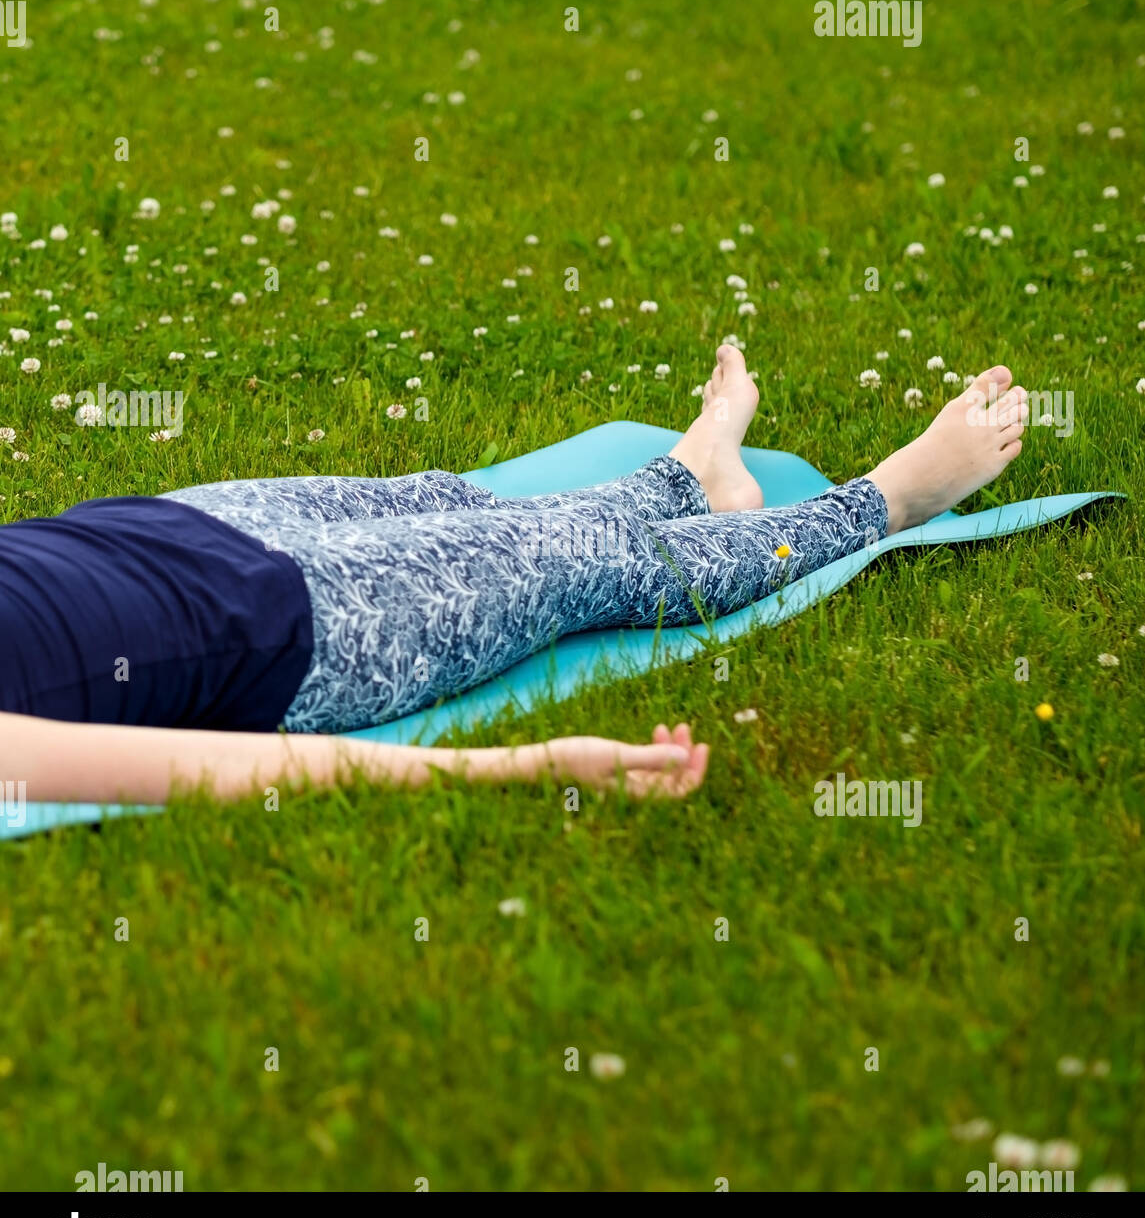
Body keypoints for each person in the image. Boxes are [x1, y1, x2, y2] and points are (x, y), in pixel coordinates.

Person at [0, 347, 1028, 807]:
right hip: (291, 626)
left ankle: (686, 470)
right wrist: (521, 766)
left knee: (457, 499)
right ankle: (885, 499)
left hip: (170, 524)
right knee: (596, 565)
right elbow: (204, 774)